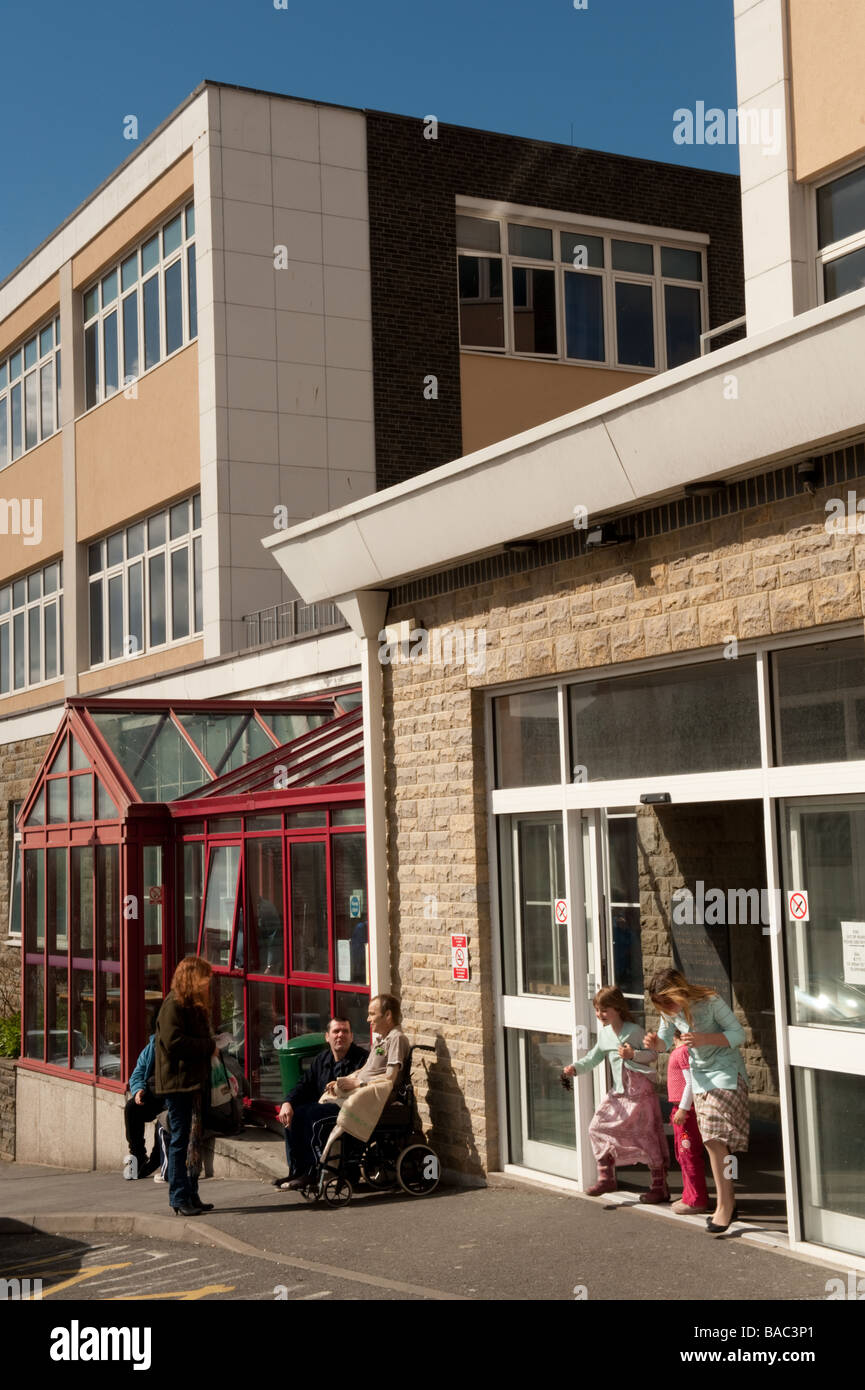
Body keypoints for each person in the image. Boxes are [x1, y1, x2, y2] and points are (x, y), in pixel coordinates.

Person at [644, 968, 749, 1234]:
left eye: (668, 1001)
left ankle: (725, 1206)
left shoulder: (711, 1001)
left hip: (726, 1073)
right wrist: (655, 1043)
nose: (667, 1008)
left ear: (679, 990)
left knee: (714, 1139)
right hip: (700, 1078)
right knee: (714, 1142)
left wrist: (704, 1039)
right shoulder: (667, 1011)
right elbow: (665, 1043)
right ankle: (728, 1202)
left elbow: (739, 1035)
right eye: (661, 1004)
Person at [562, 986, 670, 1203]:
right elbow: (592, 1058)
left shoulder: (634, 1031)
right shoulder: (604, 1036)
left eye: (604, 1010)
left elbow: (653, 1056)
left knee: (645, 1136)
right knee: (596, 1127)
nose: (599, 1014)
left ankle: (659, 1186)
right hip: (620, 1092)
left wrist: (633, 1054)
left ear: (618, 1009)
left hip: (640, 1092)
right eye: (597, 1010)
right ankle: (606, 1176)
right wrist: (575, 1068)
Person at [155, 956, 218, 1217]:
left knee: (194, 1141)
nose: (207, 983)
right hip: (178, 1084)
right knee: (181, 1140)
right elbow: (173, 1042)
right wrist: (208, 1046)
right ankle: (179, 1197)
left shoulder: (192, 1004)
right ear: (192, 978)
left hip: (193, 1082)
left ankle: (191, 1194)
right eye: (204, 977)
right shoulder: (173, 1005)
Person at [276, 1017, 367, 1190]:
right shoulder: (322, 1059)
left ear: (352, 1036)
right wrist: (287, 1103)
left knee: (311, 1115)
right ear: (327, 1037)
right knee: (294, 1114)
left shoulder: (362, 1059)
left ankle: (312, 1173)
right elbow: (303, 1085)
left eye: (345, 1031)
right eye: (336, 1031)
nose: (340, 1035)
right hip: (324, 1105)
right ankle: (297, 1170)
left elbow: (365, 1086)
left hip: (348, 1108)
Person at [666, 1033, 708, 1215]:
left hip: (686, 1111)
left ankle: (696, 1199)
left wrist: (683, 1108)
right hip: (681, 1109)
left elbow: (691, 1082)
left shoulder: (683, 1051)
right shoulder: (681, 1051)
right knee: (683, 1154)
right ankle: (688, 1195)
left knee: (688, 1154)